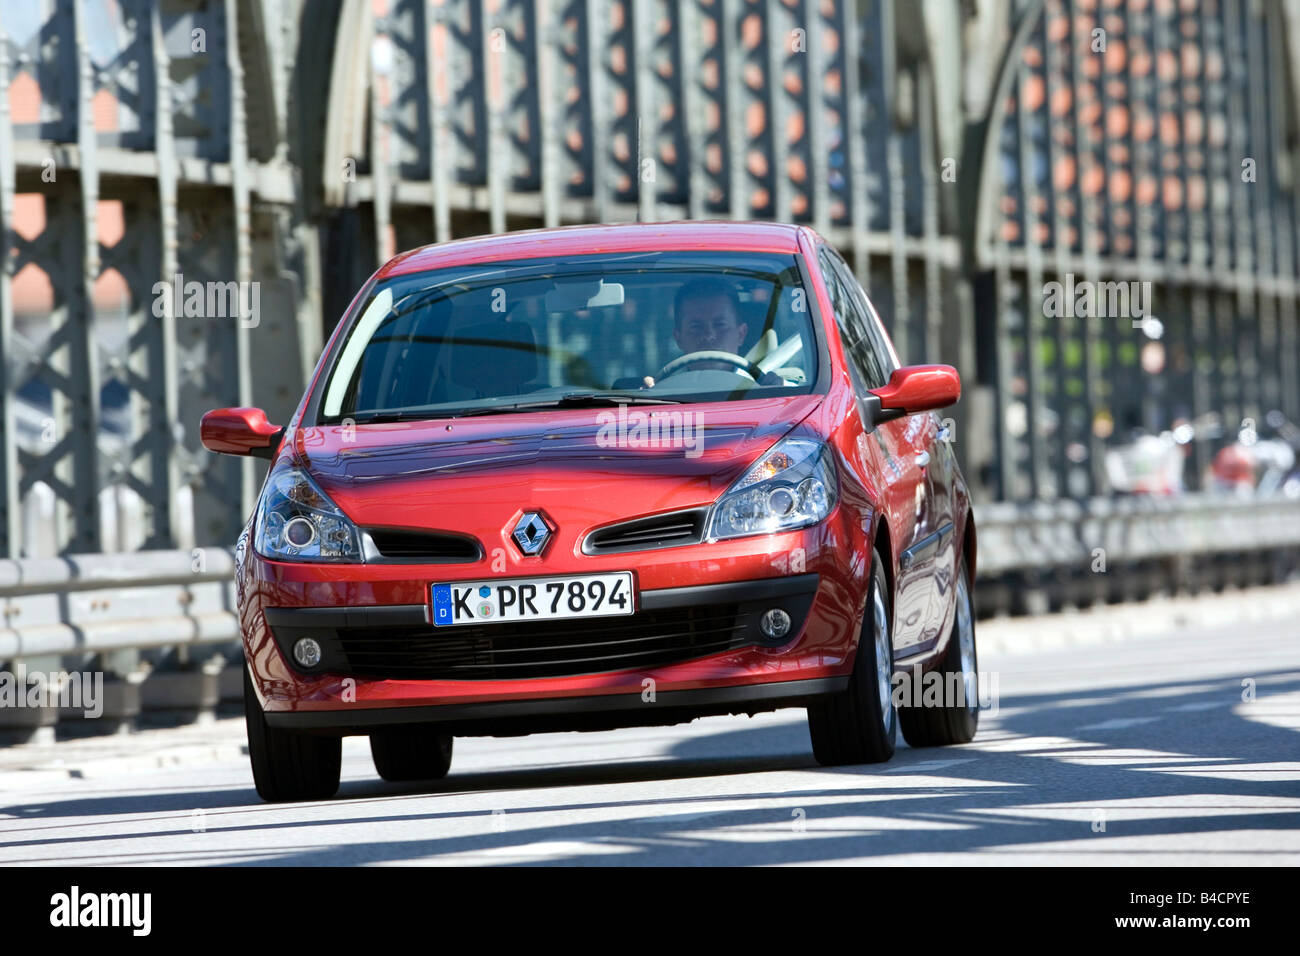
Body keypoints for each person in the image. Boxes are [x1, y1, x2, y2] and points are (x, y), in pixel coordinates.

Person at [659, 277, 784, 385]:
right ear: (678, 339)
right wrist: (647, 397)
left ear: (741, 334)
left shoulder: (768, 389)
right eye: (696, 326)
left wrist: (779, 394)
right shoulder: (660, 394)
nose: (709, 335)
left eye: (720, 325)